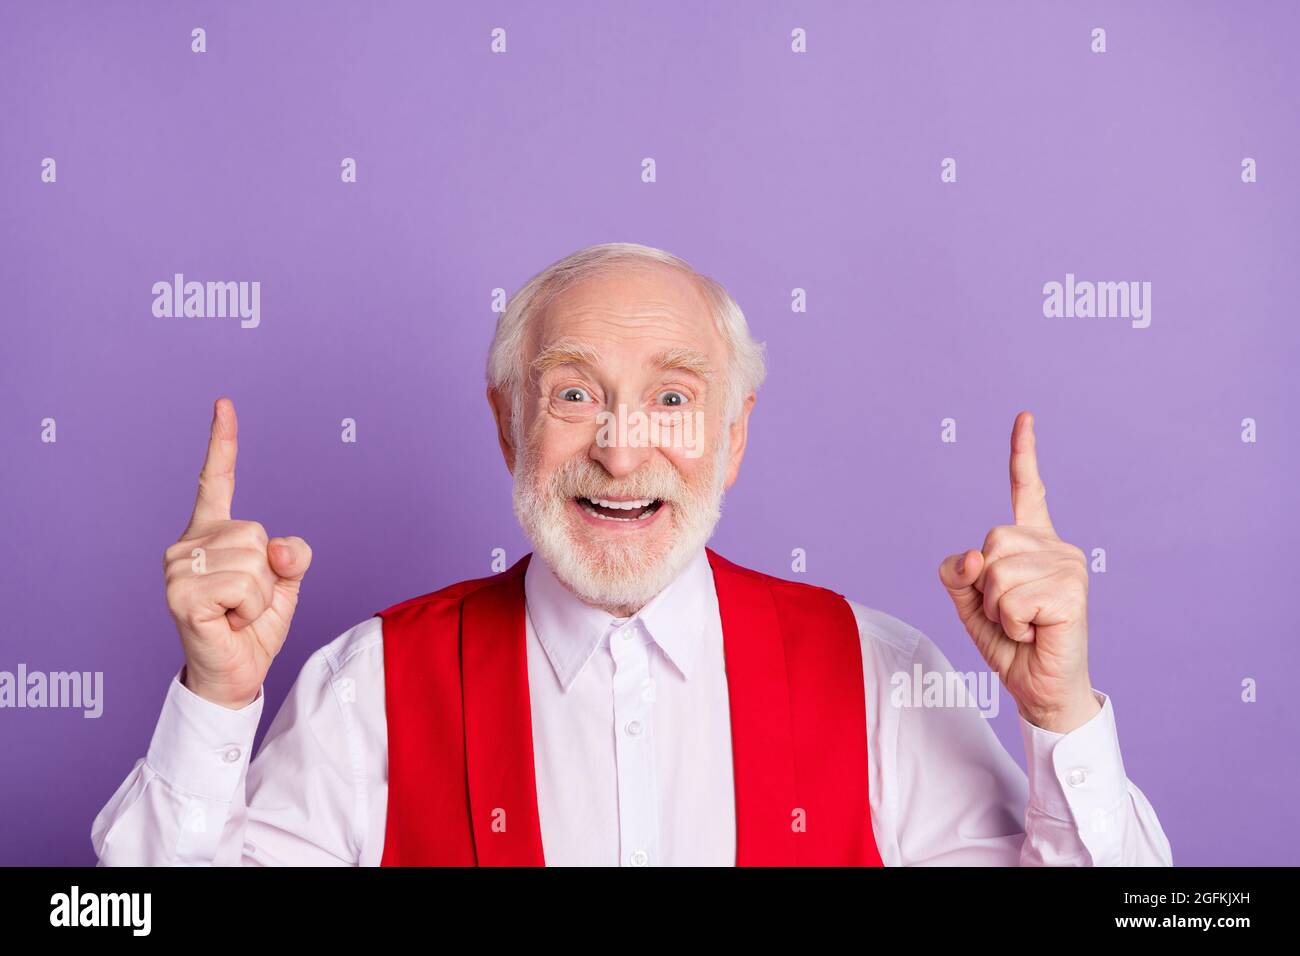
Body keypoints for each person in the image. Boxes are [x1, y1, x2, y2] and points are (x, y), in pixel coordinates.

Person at [91, 242, 1172, 866]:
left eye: (670, 396)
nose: (619, 444)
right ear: (509, 424)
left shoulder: (875, 670)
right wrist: (216, 699)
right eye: (572, 394)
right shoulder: (369, 684)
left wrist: (1060, 716)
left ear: (733, 436)